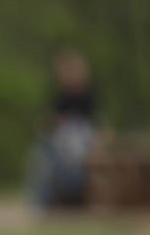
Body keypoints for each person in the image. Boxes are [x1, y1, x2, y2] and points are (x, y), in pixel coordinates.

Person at [28, 49, 99, 210]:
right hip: (62, 138)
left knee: (71, 159)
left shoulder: (88, 95)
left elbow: (91, 121)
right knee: (42, 159)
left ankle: (74, 197)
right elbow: (52, 119)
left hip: (80, 137)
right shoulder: (60, 95)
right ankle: (43, 202)